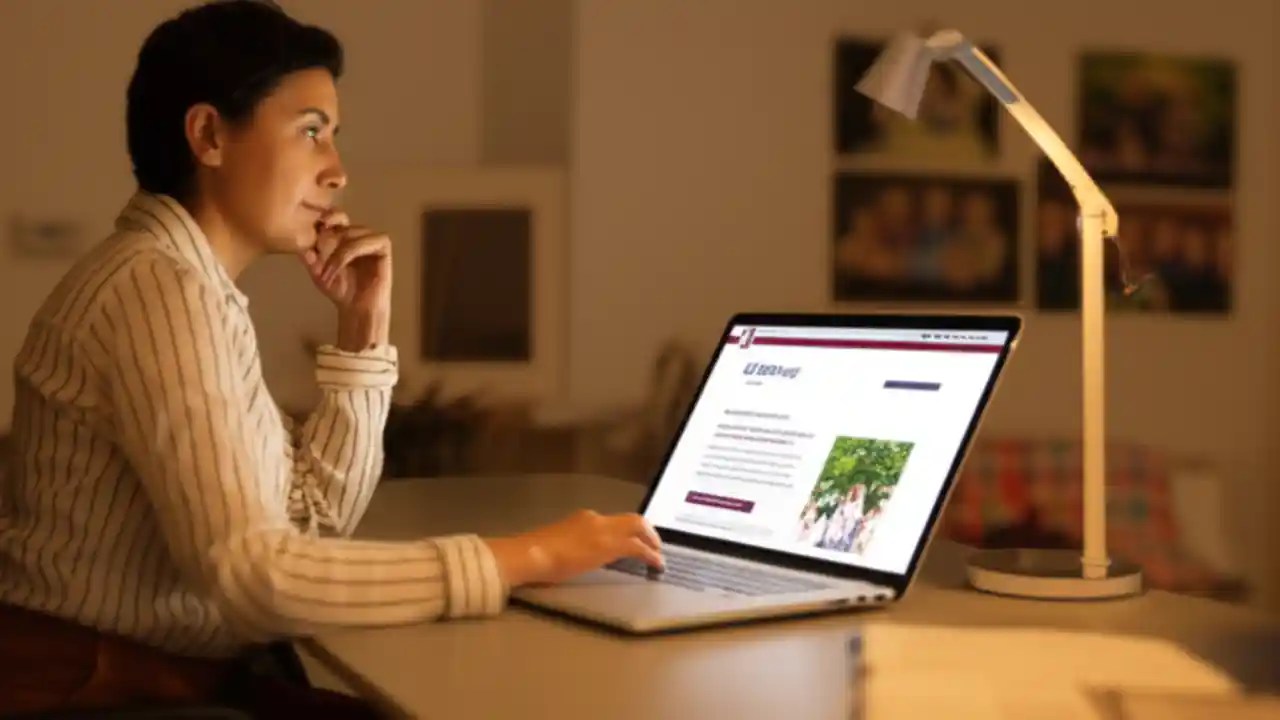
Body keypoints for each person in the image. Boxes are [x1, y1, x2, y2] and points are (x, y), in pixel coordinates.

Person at [0, 2, 663, 716]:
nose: (338, 171)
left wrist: (361, 328)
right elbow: (253, 577)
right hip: (95, 691)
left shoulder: (192, 288)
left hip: (158, 674)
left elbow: (311, 523)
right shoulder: (156, 290)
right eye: (311, 132)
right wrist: (523, 559)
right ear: (208, 135)